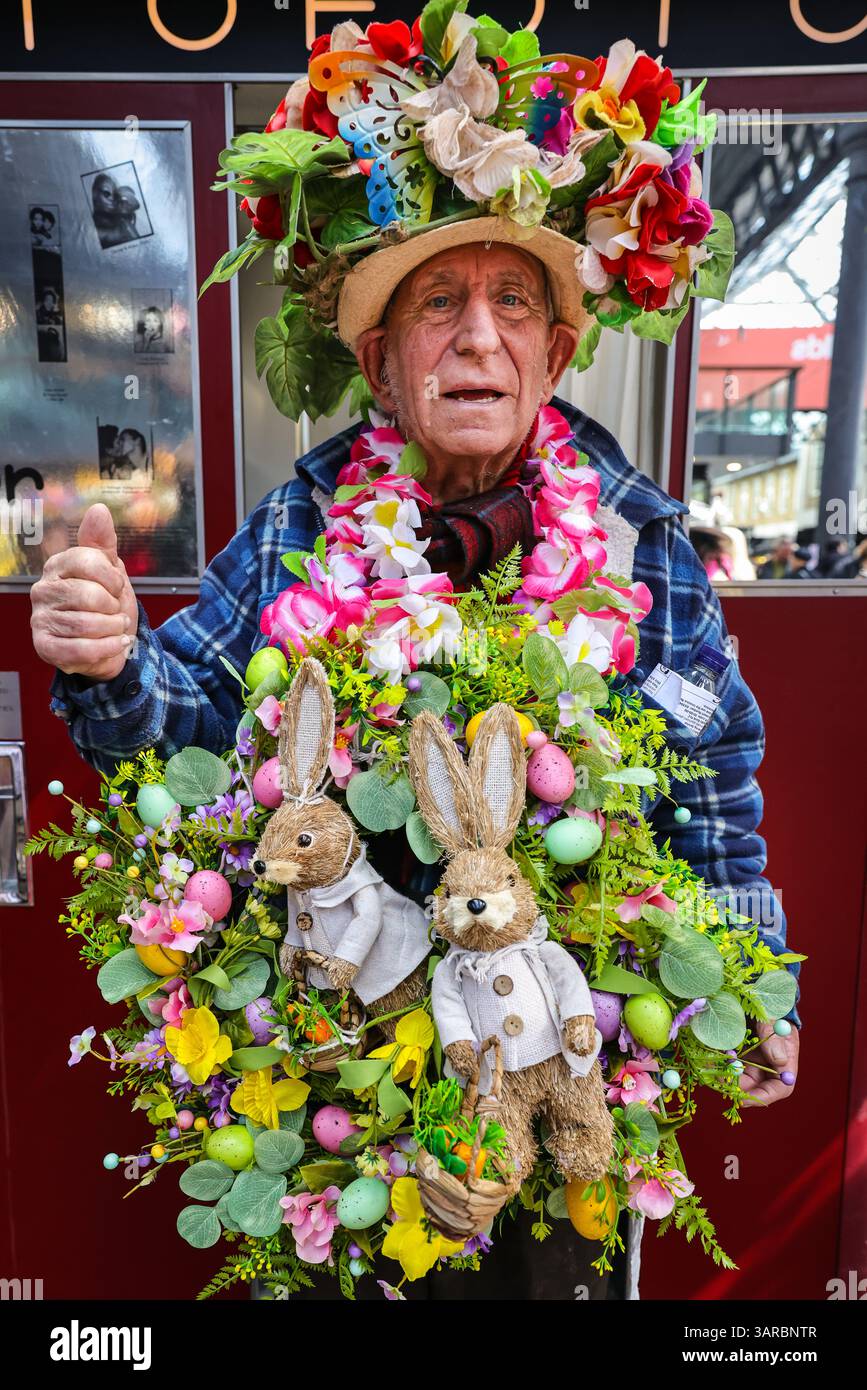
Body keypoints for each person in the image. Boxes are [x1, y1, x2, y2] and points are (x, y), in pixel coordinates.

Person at [30, 15, 800, 1300]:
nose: (479, 337)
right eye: (438, 303)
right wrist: (111, 664)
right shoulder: (297, 525)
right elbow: (181, 732)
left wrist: (753, 972)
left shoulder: (639, 540)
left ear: (558, 354)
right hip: (346, 1090)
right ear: (379, 362)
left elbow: (716, 783)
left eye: (513, 303)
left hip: (567, 1071)